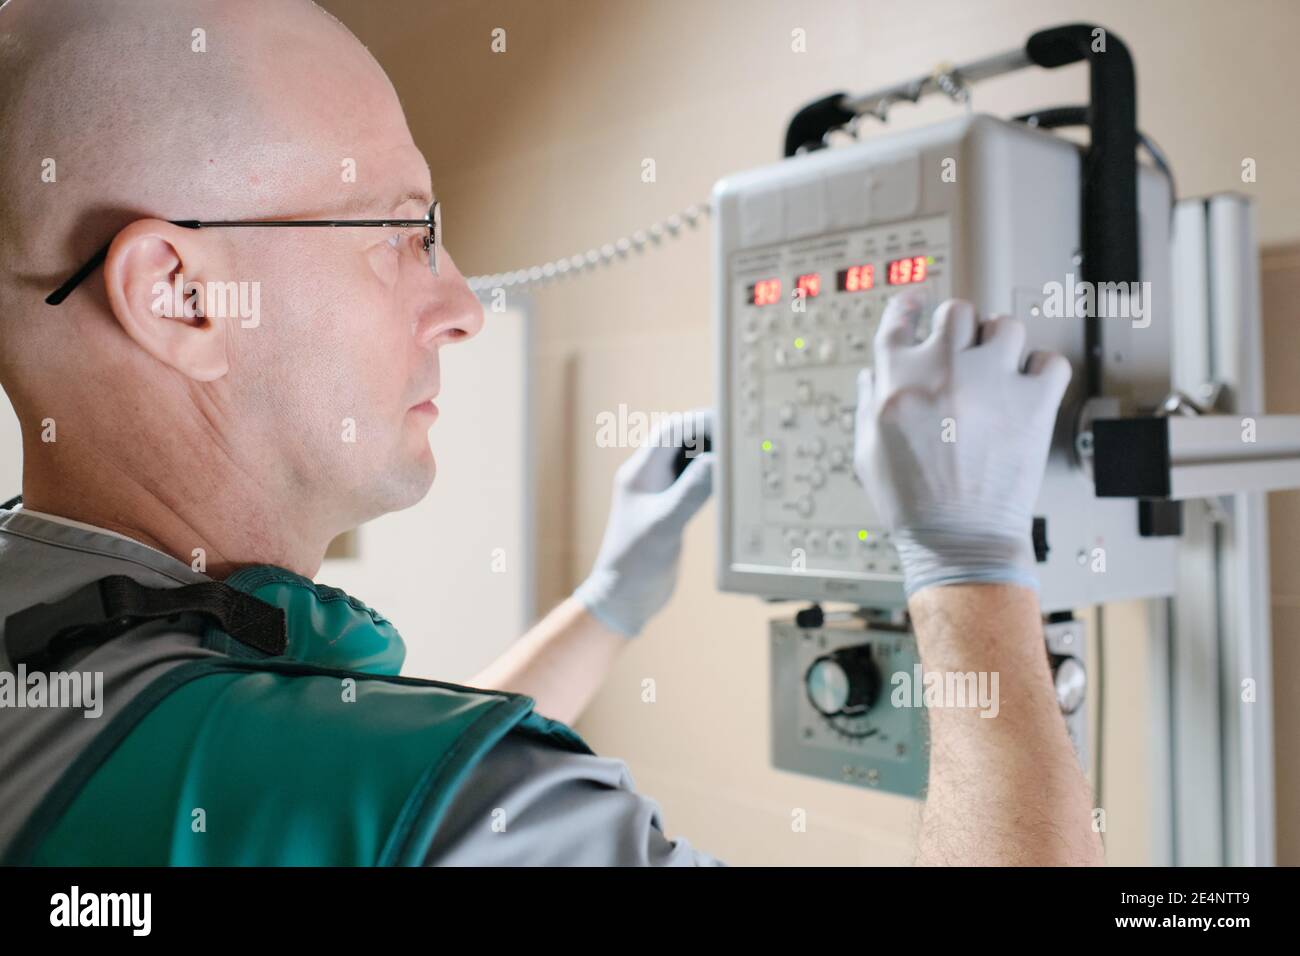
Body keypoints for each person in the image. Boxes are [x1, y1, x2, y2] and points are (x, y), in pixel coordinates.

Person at [0, 0, 1098, 866]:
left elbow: (348, 787)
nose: (463, 304)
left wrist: (606, 603)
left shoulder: (52, 638)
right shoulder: (422, 805)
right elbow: (401, 801)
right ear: (182, 296)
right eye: (404, 232)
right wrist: (969, 565)